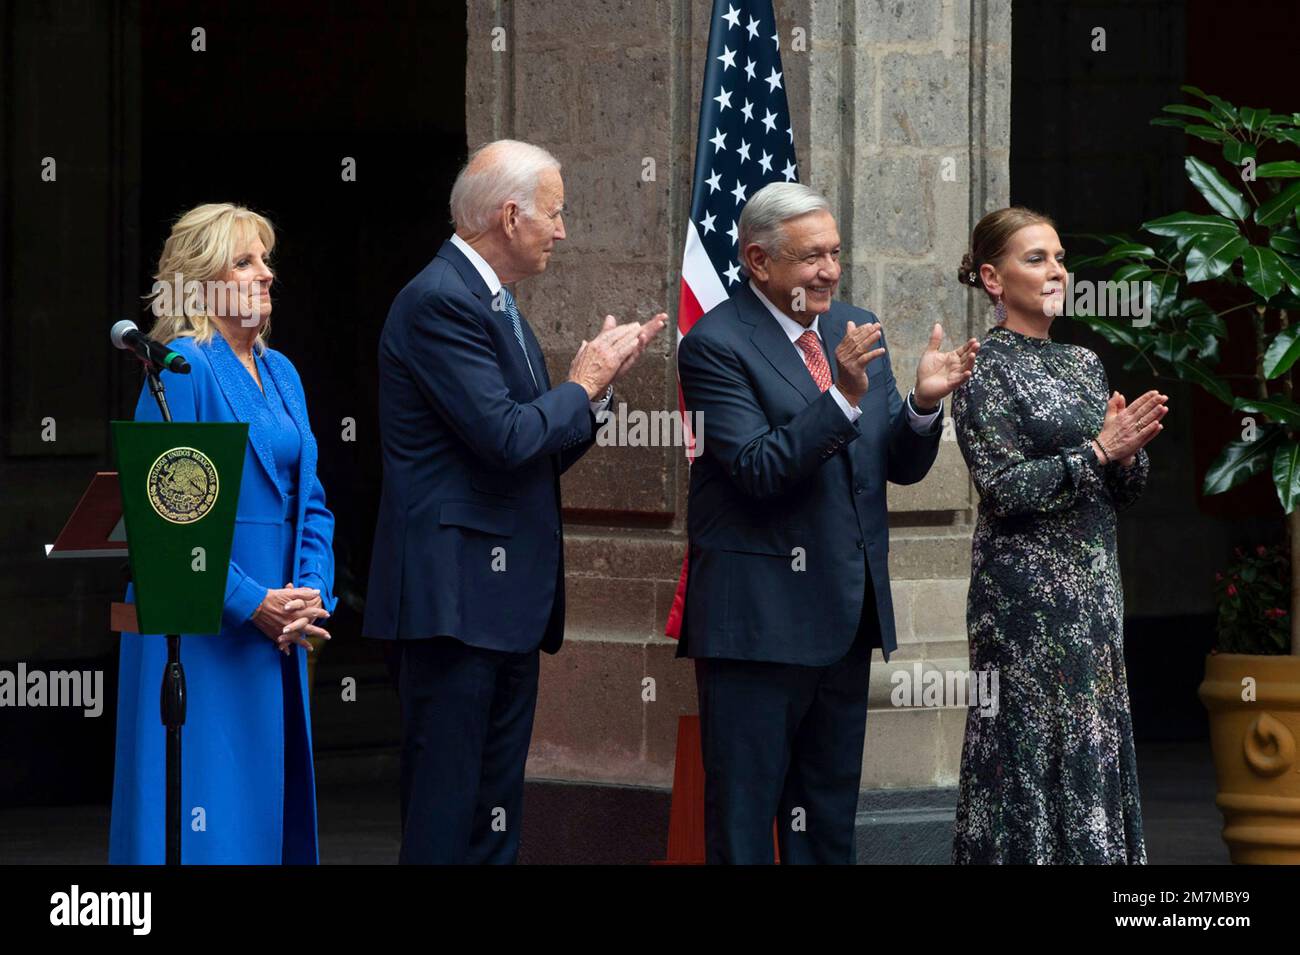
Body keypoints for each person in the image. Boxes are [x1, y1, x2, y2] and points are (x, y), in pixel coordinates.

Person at [363, 139, 666, 864]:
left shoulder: (494, 303)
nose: (563, 232)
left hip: (500, 606)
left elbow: (539, 448)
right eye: (555, 215)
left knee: (494, 817)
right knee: (447, 818)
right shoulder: (439, 300)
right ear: (508, 215)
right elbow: (504, 436)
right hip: (454, 605)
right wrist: (582, 384)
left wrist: (601, 388)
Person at [675, 182, 978, 863]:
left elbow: (892, 466)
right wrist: (841, 396)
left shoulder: (853, 323)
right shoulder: (714, 344)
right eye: (812, 256)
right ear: (757, 260)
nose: (830, 270)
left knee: (827, 821)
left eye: (836, 252)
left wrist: (924, 408)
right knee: (745, 824)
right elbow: (757, 466)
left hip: (845, 616)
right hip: (757, 627)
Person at [110, 203, 336, 864]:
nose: (266, 275)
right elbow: (163, 518)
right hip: (204, 628)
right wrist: (252, 603)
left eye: (265, 260)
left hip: (279, 634)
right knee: (207, 820)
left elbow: (312, 501)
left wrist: (309, 592)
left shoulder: (283, 372)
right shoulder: (182, 367)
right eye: (245, 261)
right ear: (200, 281)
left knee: (266, 818)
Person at [950, 206, 1167, 864]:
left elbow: (1122, 487)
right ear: (993, 277)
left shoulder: (1083, 361)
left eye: (1061, 258)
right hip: (1023, 607)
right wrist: (1097, 453)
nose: (1056, 271)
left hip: (1094, 596)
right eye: (1036, 258)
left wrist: (1127, 455)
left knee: (1091, 746)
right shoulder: (981, 368)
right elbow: (1003, 486)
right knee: (1025, 756)